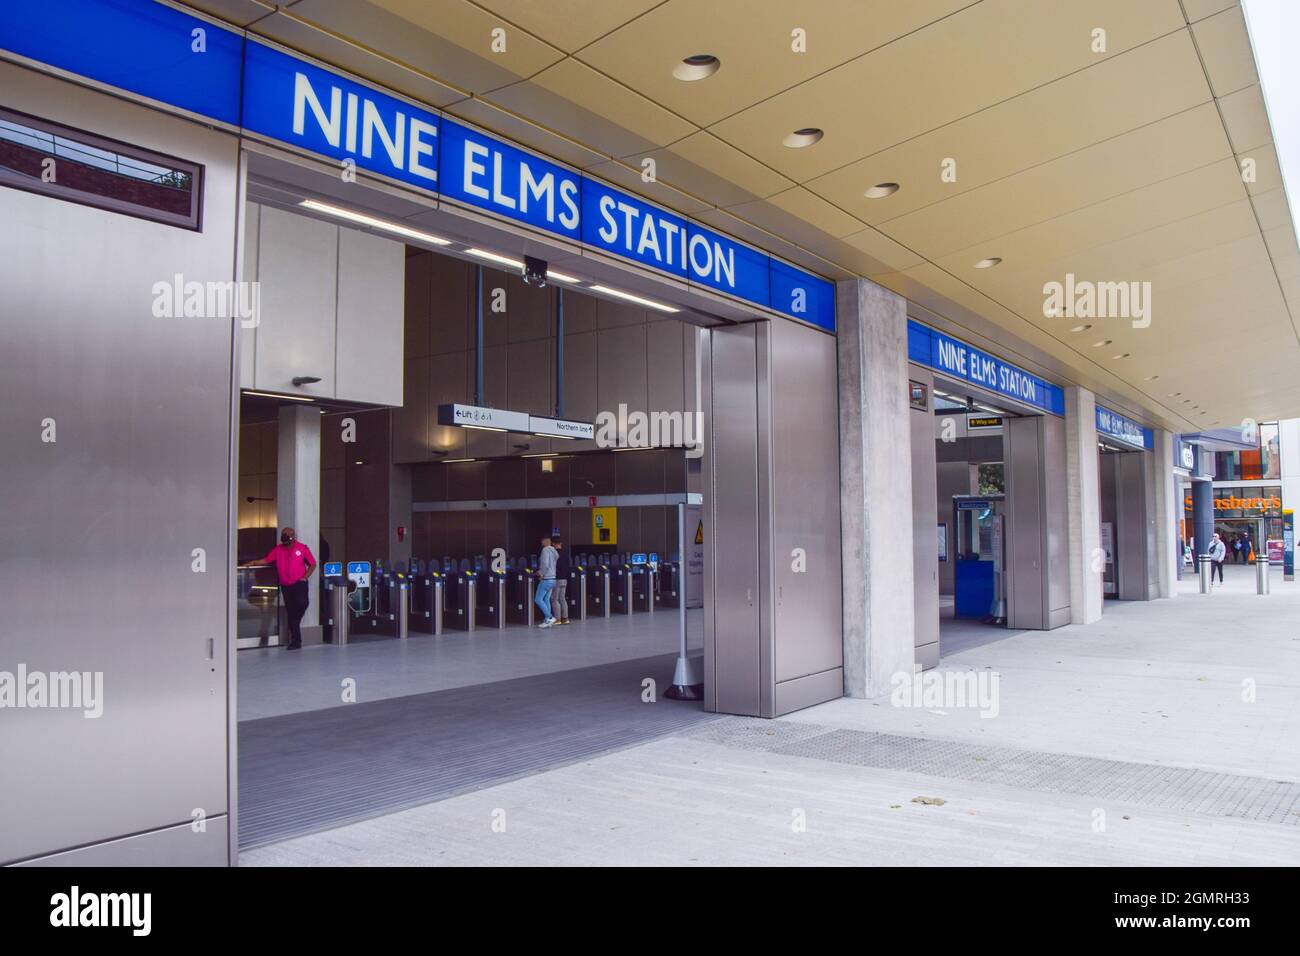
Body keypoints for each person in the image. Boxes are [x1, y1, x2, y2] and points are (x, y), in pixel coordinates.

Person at [250, 527, 316, 649]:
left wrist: (305, 577)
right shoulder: (278, 549)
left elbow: (312, 564)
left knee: (303, 603)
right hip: (286, 585)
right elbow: (267, 560)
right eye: (283, 535)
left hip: (299, 583)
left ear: (293, 536)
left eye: (286, 535)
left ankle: (295, 623)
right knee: (290, 611)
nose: (284, 538)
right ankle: (296, 641)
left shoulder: (302, 548)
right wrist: (253, 563)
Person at [535, 536, 558, 628]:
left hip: (546, 579)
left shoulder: (545, 550)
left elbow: (545, 564)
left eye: (542, 541)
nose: (541, 542)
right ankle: (547, 621)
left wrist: (540, 573)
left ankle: (550, 617)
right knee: (546, 599)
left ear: (545, 541)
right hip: (553, 579)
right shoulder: (554, 551)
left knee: (538, 599)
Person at [551, 536, 570, 625]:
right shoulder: (566, 554)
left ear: (553, 544)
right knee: (562, 599)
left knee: (555, 599)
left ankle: (557, 619)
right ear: (561, 544)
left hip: (557, 579)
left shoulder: (554, 554)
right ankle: (565, 618)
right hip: (564, 579)